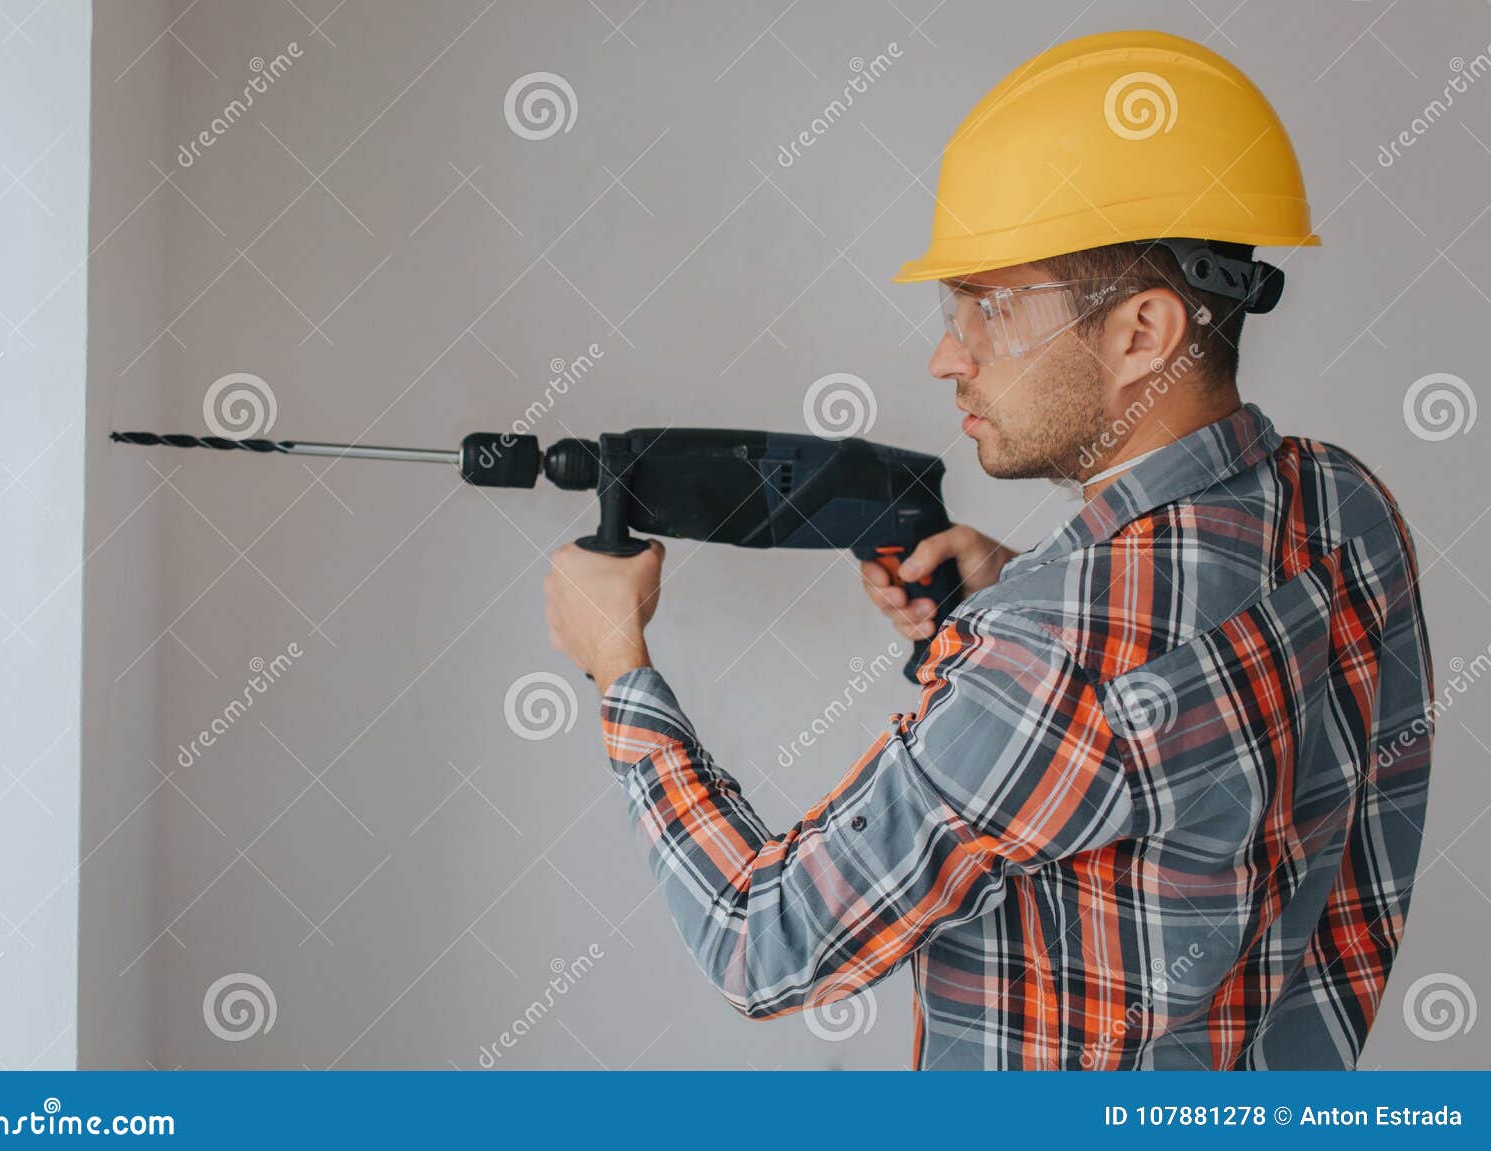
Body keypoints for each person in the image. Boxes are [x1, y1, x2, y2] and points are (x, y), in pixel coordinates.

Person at [541, 29, 1433, 1069]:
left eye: (987, 307)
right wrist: (1018, 589)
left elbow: (760, 942)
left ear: (1141, 332)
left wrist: (620, 671)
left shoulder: (1056, 652)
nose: (945, 355)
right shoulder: (1338, 502)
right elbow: (1211, 766)